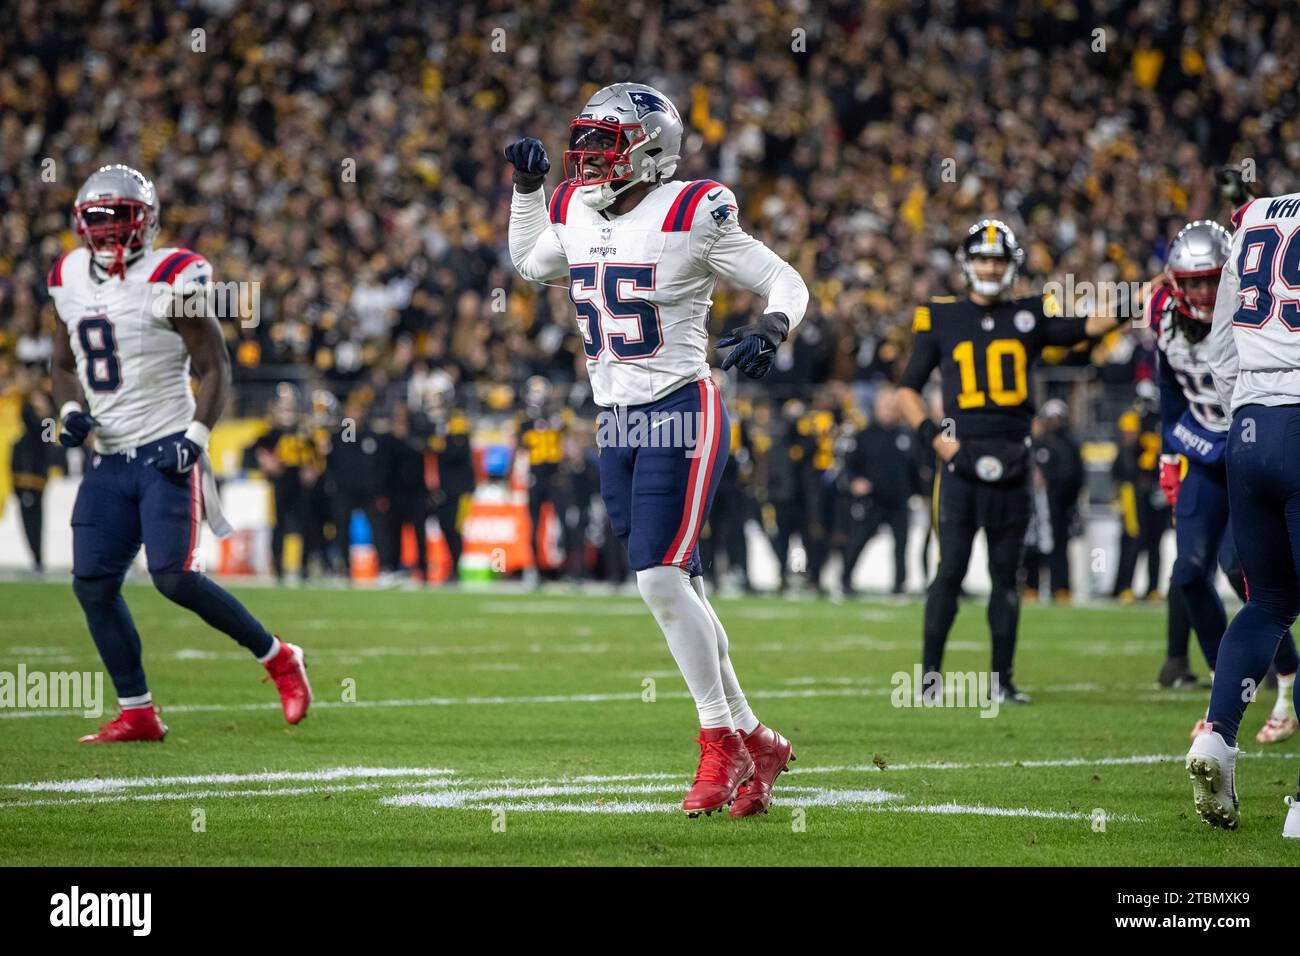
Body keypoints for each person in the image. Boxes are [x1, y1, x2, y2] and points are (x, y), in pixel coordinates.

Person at [506, 82, 807, 817]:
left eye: (603, 144)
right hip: (615, 417)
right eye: (583, 143)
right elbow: (529, 265)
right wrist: (525, 189)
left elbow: (783, 278)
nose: (587, 159)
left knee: (658, 578)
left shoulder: (692, 209)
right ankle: (754, 737)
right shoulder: (573, 207)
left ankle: (720, 741)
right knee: (680, 587)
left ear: (648, 147)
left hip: (680, 407)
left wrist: (771, 329)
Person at [48, 164, 310, 743]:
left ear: (146, 221)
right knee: (92, 584)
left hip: (167, 444)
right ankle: (138, 711)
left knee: (173, 577)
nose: (110, 232)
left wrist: (195, 437)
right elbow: (64, 363)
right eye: (99, 220)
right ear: (79, 224)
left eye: (121, 219)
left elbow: (216, 366)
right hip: (110, 456)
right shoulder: (67, 277)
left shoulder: (174, 276)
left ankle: (278, 657)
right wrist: (69, 413)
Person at [896, 218, 1133, 703]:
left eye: (997, 259)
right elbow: (907, 391)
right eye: (981, 258)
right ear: (966, 263)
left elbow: (1087, 325)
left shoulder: (1030, 312)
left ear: (1011, 266)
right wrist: (938, 438)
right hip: (960, 459)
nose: (988, 266)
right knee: (951, 570)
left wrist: (1141, 298)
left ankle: (1002, 681)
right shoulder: (940, 315)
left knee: (1008, 575)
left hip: (1014, 457)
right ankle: (929, 681)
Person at [1152, 221, 1298, 742]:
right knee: (1188, 572)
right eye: (1190, 282)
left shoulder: (1254, 307)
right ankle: (1223, 687)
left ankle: (1286, 680)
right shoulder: (1161, 313)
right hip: (1209, 448)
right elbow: (1170, 393)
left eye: (1211, 279)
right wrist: (1174, 452)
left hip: (1247, 444)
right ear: (1174, 280)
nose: (1201, 292)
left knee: (1244, 570)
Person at [1191, 191, 1300, 836]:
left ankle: (1217, 739)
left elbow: (1221, 342)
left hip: (1250, 431)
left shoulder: (1257, 218)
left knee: (1267, 602)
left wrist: (1249, 414)